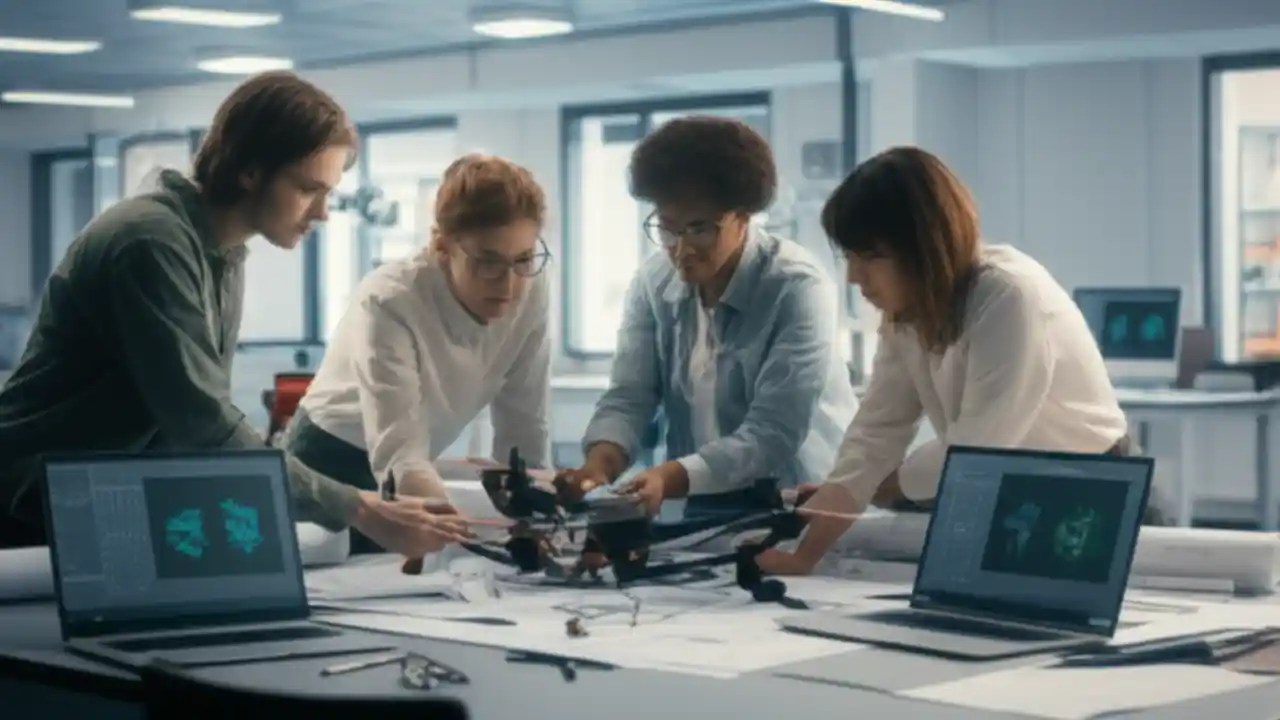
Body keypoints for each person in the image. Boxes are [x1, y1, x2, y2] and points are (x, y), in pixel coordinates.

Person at [0, 71, 468, 556]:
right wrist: (360, 509)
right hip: (24, 513)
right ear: (249, 171)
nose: (323, 213)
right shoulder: (150, 242)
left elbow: (196, 431)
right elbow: (204, 430)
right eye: (309, 189)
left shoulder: (223, 252)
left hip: (97, 505)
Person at [755, 146, 1152, 576]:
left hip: (1091, 490)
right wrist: (808, 550)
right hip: (1012, 488)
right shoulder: (906, 314)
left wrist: (875, 489)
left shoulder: (1009, 297)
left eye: (871, 257)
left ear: (924, 246)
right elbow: (876, 432)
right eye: (849, 257)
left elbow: (976, 449)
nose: (854, 277)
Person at [562, 115, 859, 517]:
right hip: (702, 505)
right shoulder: (654, 282)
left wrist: (667, 478)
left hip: (799, 505)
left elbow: (773, 434)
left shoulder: (796, 287)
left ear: (744, 216)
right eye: (667, 228)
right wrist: (599, 466)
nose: (681, 250)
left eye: (699, 229)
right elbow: (630, 396)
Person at [284, 153, 551, 551]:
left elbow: (523, 424)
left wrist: (537, 514)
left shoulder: (532, 288)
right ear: (442, 245)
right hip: (328, 461)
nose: (509, 285)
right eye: (488, 262)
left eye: (523, 259)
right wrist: (455, 531)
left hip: (410, 463)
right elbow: (401, 451)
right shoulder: (391, 299)